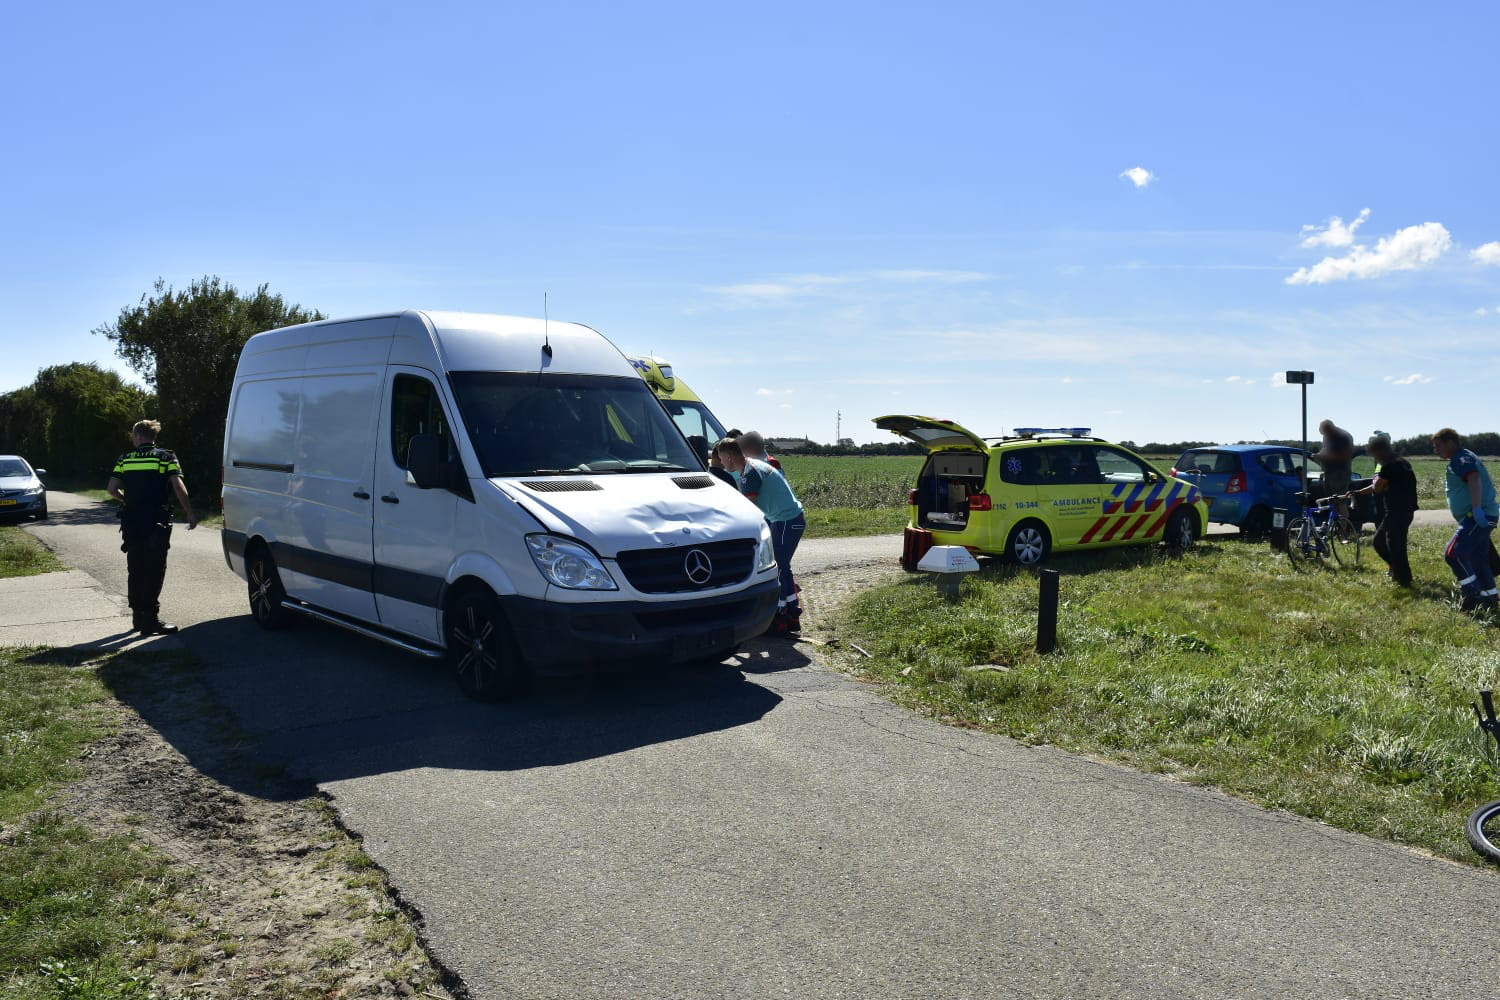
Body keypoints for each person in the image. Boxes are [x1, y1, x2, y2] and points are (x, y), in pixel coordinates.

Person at [106, 419, 197, 634]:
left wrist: (126, 500)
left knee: (135, 568)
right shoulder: (166, 457)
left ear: (137, 436)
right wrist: (189, 512)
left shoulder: (125, 459)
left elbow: (111, 489)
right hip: (157, 521)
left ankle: (137, 619)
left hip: (131, 521)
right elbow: (178, 486)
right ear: (153, 436)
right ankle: (151, 620)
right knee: (155, 569)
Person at [715, 436, 805, 634]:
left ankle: (782, 614)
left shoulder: (749, 475)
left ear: (729, 457)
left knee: (779, 567)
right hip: (787, 520)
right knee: (782, 565)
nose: (721, 464)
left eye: (722, 459)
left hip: (786, 522)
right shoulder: (752, 464)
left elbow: (750, 511)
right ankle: (791, 610)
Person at [1432, 427, 1498, 613]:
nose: (1435, 450)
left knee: (1453, 553)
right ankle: (1490, 598)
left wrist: (1476, 509)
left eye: (1438, 445)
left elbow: (1474, 477)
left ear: (1450, 443)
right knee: (1478, 559)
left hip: (1477, 516)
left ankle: (1472, 594)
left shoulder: (1460, 458)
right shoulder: (1465, 455)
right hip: (1483, 516)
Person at [1353, 431, 1417, 586]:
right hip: (1405, 509)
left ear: (1381, 450)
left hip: (1396, 511)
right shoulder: (1403, 462)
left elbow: (1378, 487)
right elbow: (1378, 484)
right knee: (1389, 543)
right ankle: (1400, 574)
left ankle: (1403, 578)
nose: (1375, 459)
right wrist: (1359, 492)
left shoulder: (1389, 466)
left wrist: (1379, 486)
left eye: (1375, 455)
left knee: (1389, 544)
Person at [1314, 418, 1355, 518]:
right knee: (1332, 503)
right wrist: (1318, 455)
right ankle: (1335, 528)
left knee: (1341, 503)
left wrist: (1325, 457)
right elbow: (1325, 450)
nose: (1324, 436)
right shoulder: (1327, 437)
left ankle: (1342, 532)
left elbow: (1345, 456)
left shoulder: (1344, 437)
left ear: (1330, 429)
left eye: (1325, 433)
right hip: (1328, 473)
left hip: (1340, 474)